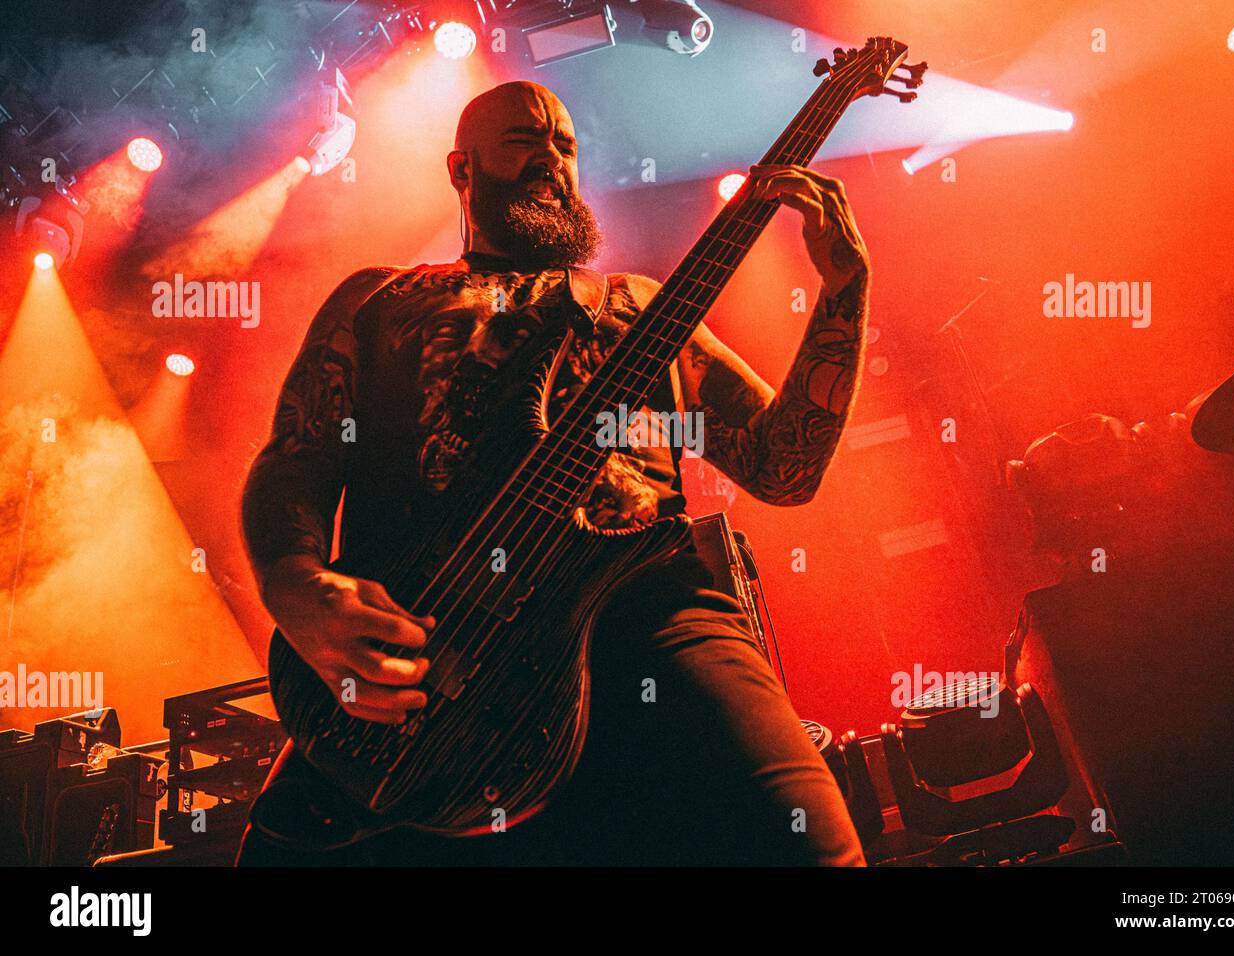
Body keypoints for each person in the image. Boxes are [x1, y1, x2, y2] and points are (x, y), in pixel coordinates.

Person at [238, 80, 871, 866]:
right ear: (461, 169)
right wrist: (295, 585)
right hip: (431, 652)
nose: (550, 158)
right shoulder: (383, 300)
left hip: (645, 622)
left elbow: (783, 466)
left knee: (804, 843)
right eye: (522, 140)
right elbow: (297, 456)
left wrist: (844, 291)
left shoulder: (639, 306)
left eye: (564, 145)